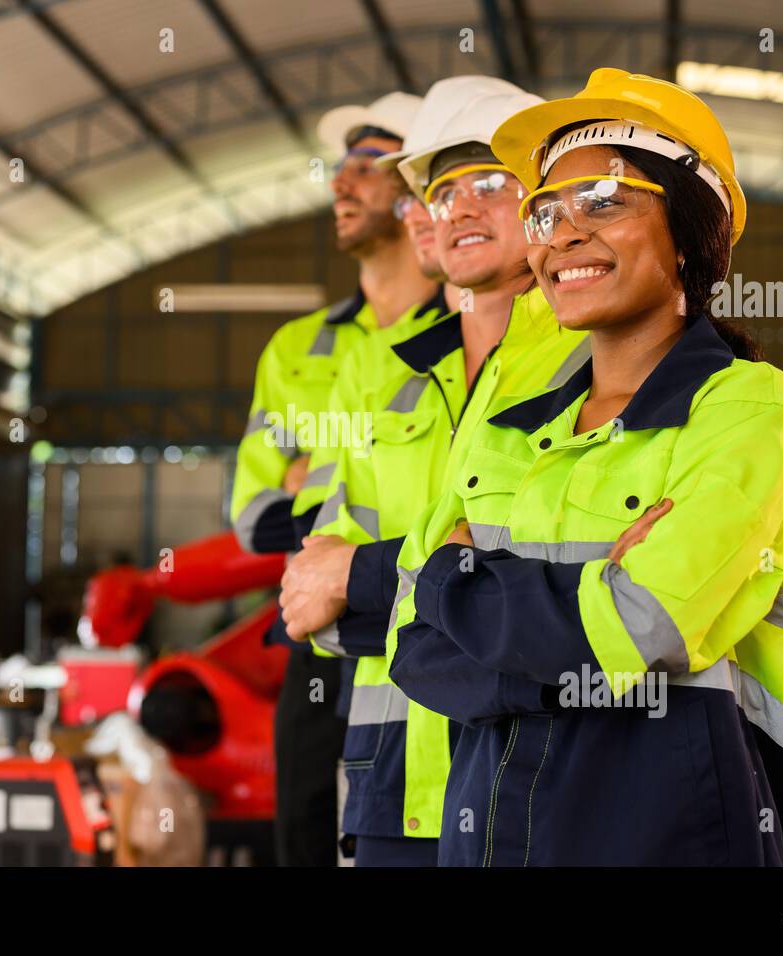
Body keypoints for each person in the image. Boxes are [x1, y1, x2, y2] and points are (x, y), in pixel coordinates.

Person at [388, 68, 783, 866]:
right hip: (490, 835)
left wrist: (462, 581)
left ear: (691, 235)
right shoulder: (508, 430)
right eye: (546, 212)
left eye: (606, 202)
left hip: (671, 835)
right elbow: (412, 649)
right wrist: (583, 618)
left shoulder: (748, 408)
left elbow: (643, 623)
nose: (562, 235)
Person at [277, 76, 590, 866]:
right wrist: (428, 583)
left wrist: (371, 579)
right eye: (441, 190)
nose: (461, 207)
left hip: (540, 769)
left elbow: (560, 588)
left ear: (544, 204)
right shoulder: (390, 384)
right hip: (392, 777)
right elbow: (315, 603)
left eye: (491, 181)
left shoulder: (591, 362)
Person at [229, 92, 446, 867]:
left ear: (419, 182)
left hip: (432, 619)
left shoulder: (470, 330)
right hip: (317, 637)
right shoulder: (298, 347)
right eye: (340, 167)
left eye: (366, 164)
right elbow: (255, 516)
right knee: (308, 830)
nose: (341, 184)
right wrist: (346, 493)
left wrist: (318, 470)